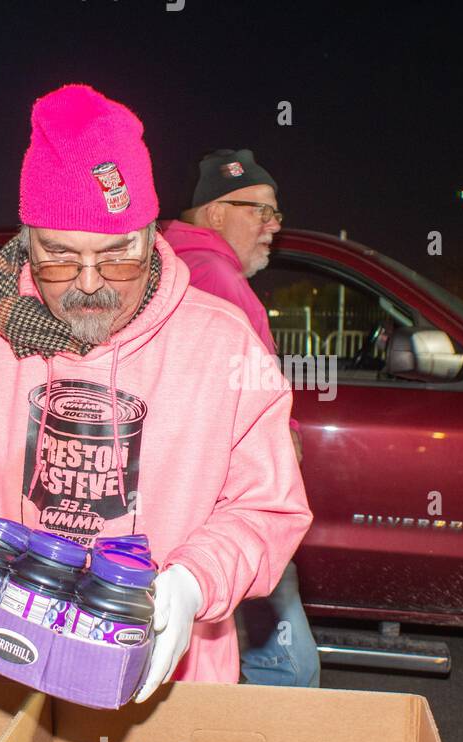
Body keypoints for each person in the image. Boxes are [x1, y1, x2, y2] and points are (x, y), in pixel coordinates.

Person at [0, 85, 311, 701]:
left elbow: (266, 507)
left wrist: (193, 584)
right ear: (26, 238)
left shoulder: (223, 345)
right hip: (3, 668)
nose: (90, 284)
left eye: (117, 255)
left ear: (151, 234)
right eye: (59, 256)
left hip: (169, 688)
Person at [161, 150, 320, 687]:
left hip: (197, 513)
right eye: (261, 211)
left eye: (276, 214)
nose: (274, 226)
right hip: (228, 511)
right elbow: (246, 411)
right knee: (289, 669)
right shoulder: (214, 278)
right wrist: (285, 445)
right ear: (214, 212)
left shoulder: (176, 265)